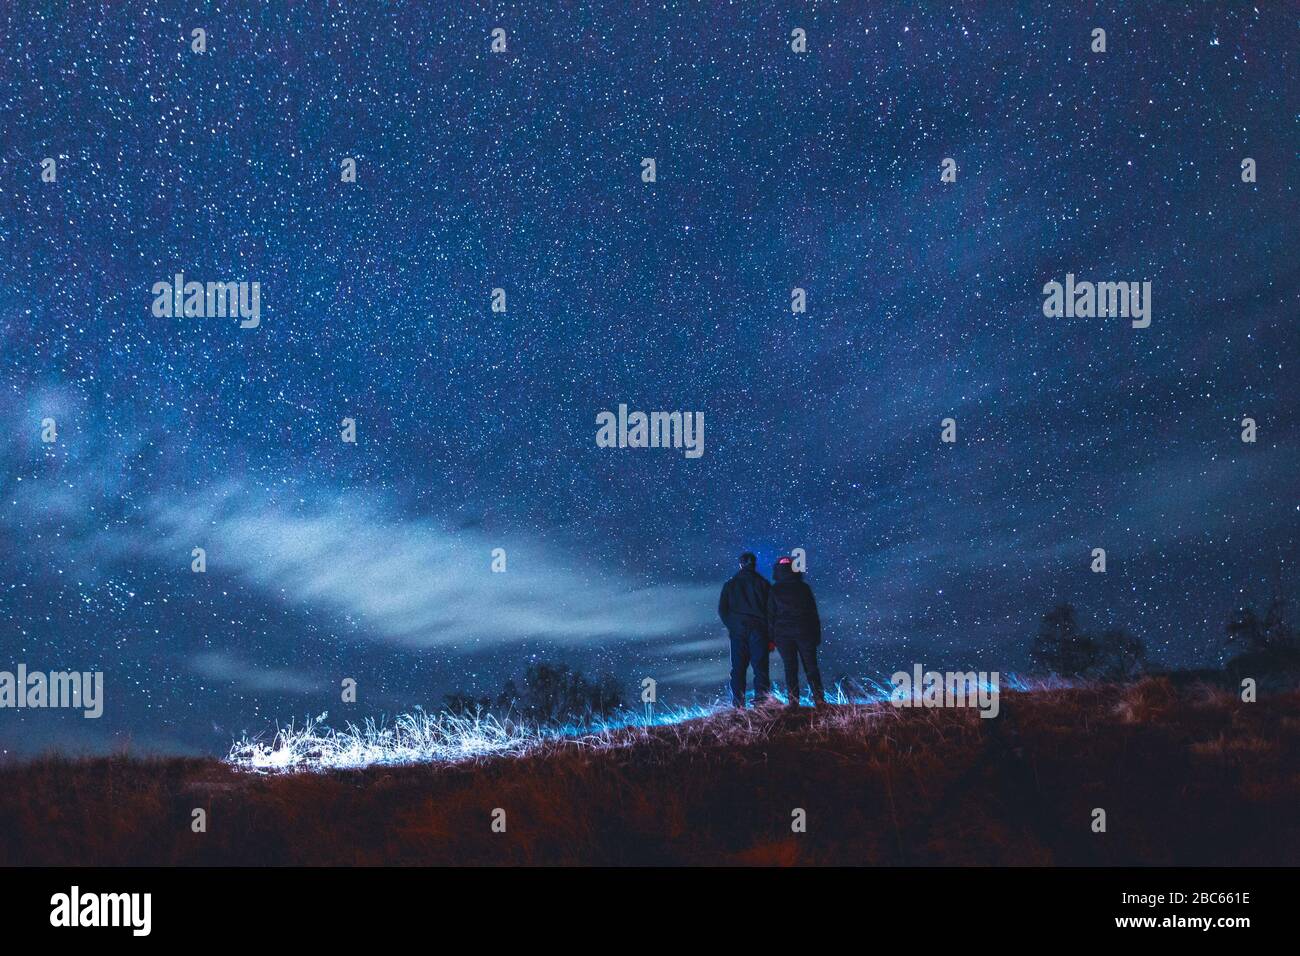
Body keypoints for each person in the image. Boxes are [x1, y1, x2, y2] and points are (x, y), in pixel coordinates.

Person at [767, 556, 825, 708]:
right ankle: (819, 699)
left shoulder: (774, 590)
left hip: (783, 635)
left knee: (790, 668)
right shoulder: (804, 587)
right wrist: (816, 634)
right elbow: (813, 613)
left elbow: (770, 616)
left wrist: (771, 638)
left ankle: (793, 702)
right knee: (811, 667)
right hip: (805, 632)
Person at [718, 552, 771, 707]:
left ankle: (738, 704)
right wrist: (770, 634)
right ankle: (761, 703)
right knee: (760, 667)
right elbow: (771, 611)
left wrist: (733, 626)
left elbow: (722, 610)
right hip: (759, 630)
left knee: (738, 669)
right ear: (754, 564)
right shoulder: (764, 584)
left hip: (738, 632)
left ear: (740, 564)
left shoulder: (730, 584)